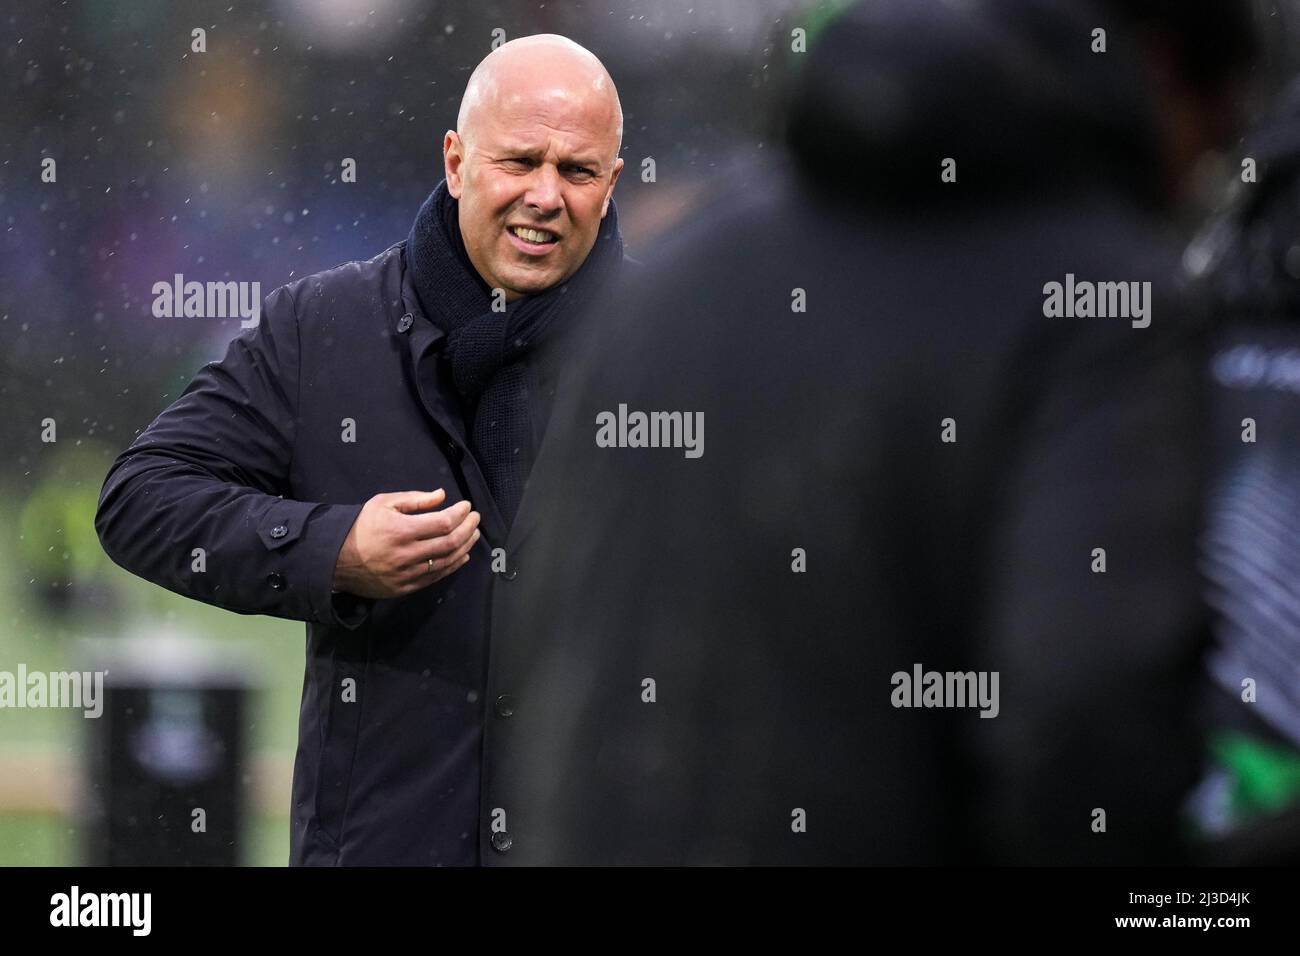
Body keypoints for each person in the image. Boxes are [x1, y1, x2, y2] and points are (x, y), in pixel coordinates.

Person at [489, 0, 1258, 863]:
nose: (1208, 173)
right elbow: (1086, 722)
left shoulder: (680, 273)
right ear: (1163, 73)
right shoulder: (1107, 299)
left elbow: (549, 651)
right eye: (1222, 129)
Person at [94, 34, 627, 865]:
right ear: (455, 163)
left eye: (578, 171)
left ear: (613, 182)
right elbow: (140, 498)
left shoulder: (679, 342)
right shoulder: (325, 331)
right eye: (519, 161)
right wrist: (329, 550)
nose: (546, 195)